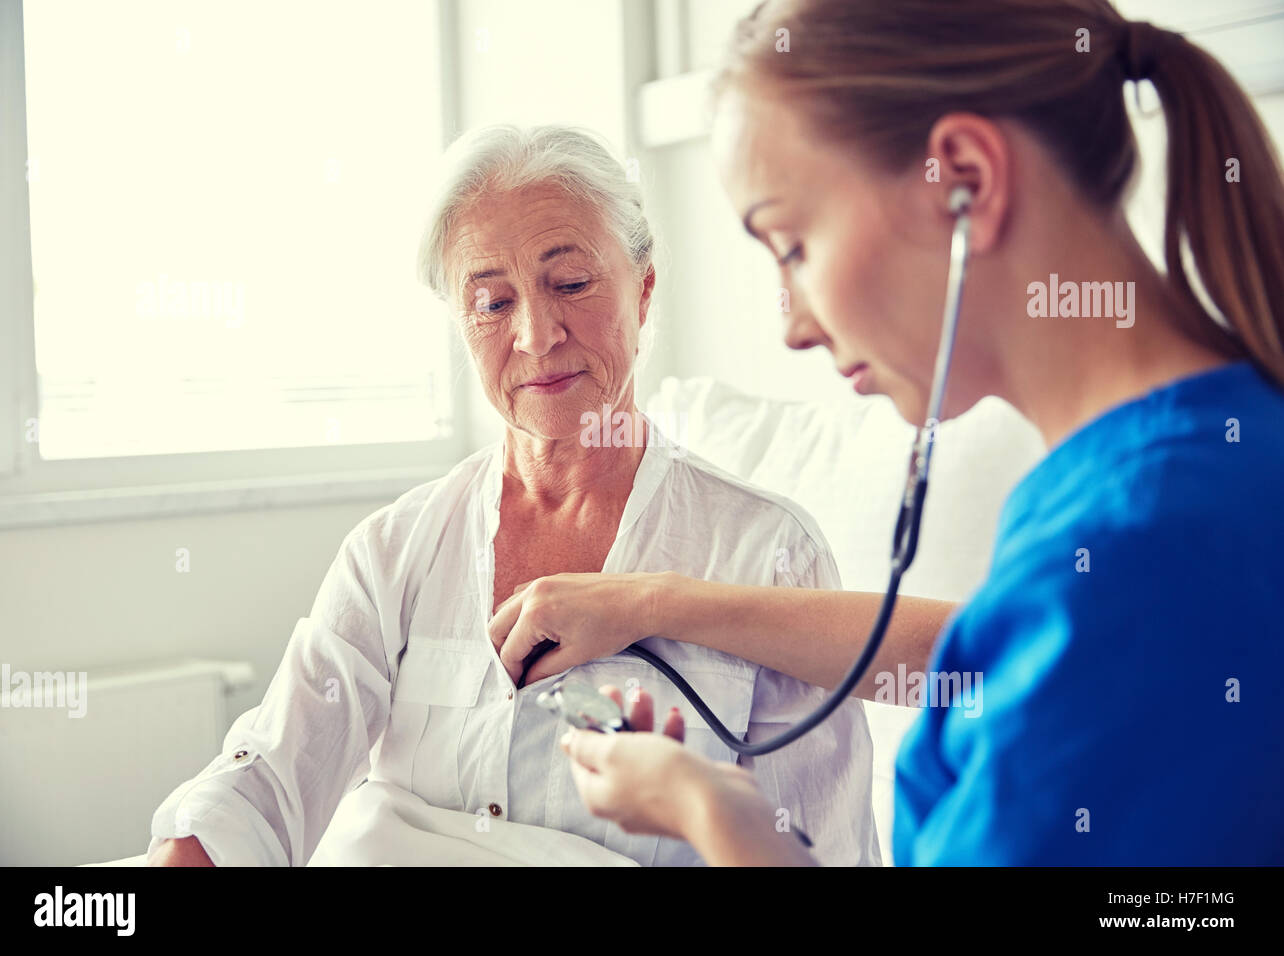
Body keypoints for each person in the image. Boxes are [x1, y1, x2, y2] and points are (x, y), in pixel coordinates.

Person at [492, 0, 1284, 864]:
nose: (792, 325)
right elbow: (980, 654)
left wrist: (711, 813)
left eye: (791, 243)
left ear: (966, 183)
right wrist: (656, 606)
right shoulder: (1200, 466)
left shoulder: (1135, 550)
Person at [146, 124, 952, 867]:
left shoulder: (765, 553)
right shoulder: (394, 551)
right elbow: (266, 784)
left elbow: (822, 849)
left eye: (569, 282)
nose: (536, 334)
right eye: (492, 301)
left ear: (642, 291)